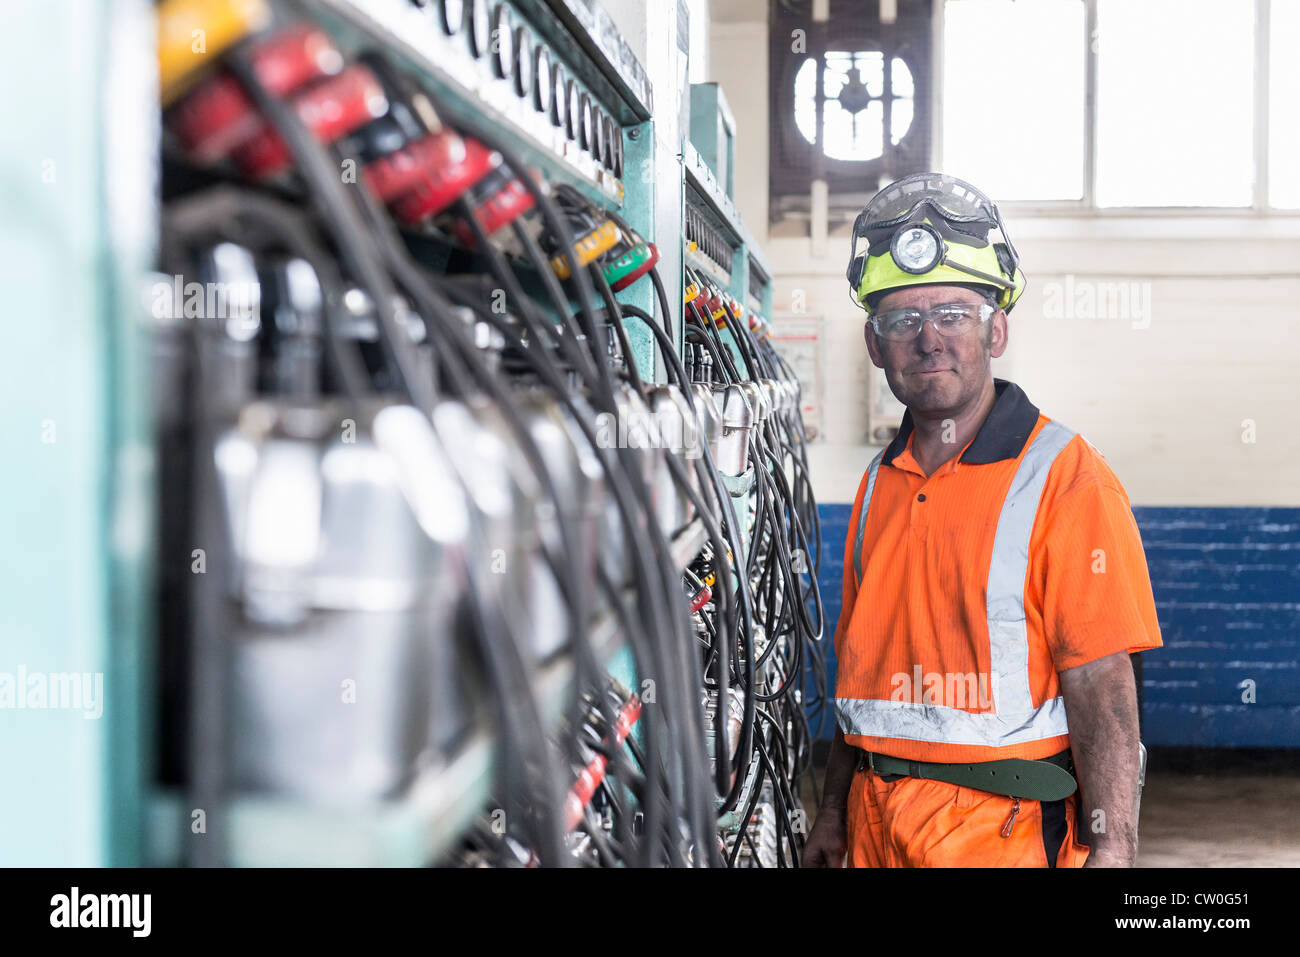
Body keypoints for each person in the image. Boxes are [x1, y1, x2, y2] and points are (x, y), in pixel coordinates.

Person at [803, 173, 1163, 868]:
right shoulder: (880, 482)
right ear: (875, 346)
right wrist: (831, 810)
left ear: (996, 329)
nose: (929, 338)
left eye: (952, 313)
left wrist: (1113, 847)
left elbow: (1102, 682)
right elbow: (862, 674)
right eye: (902, 320)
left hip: (1003, 836)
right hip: (875, 826)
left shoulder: (1065, 475)